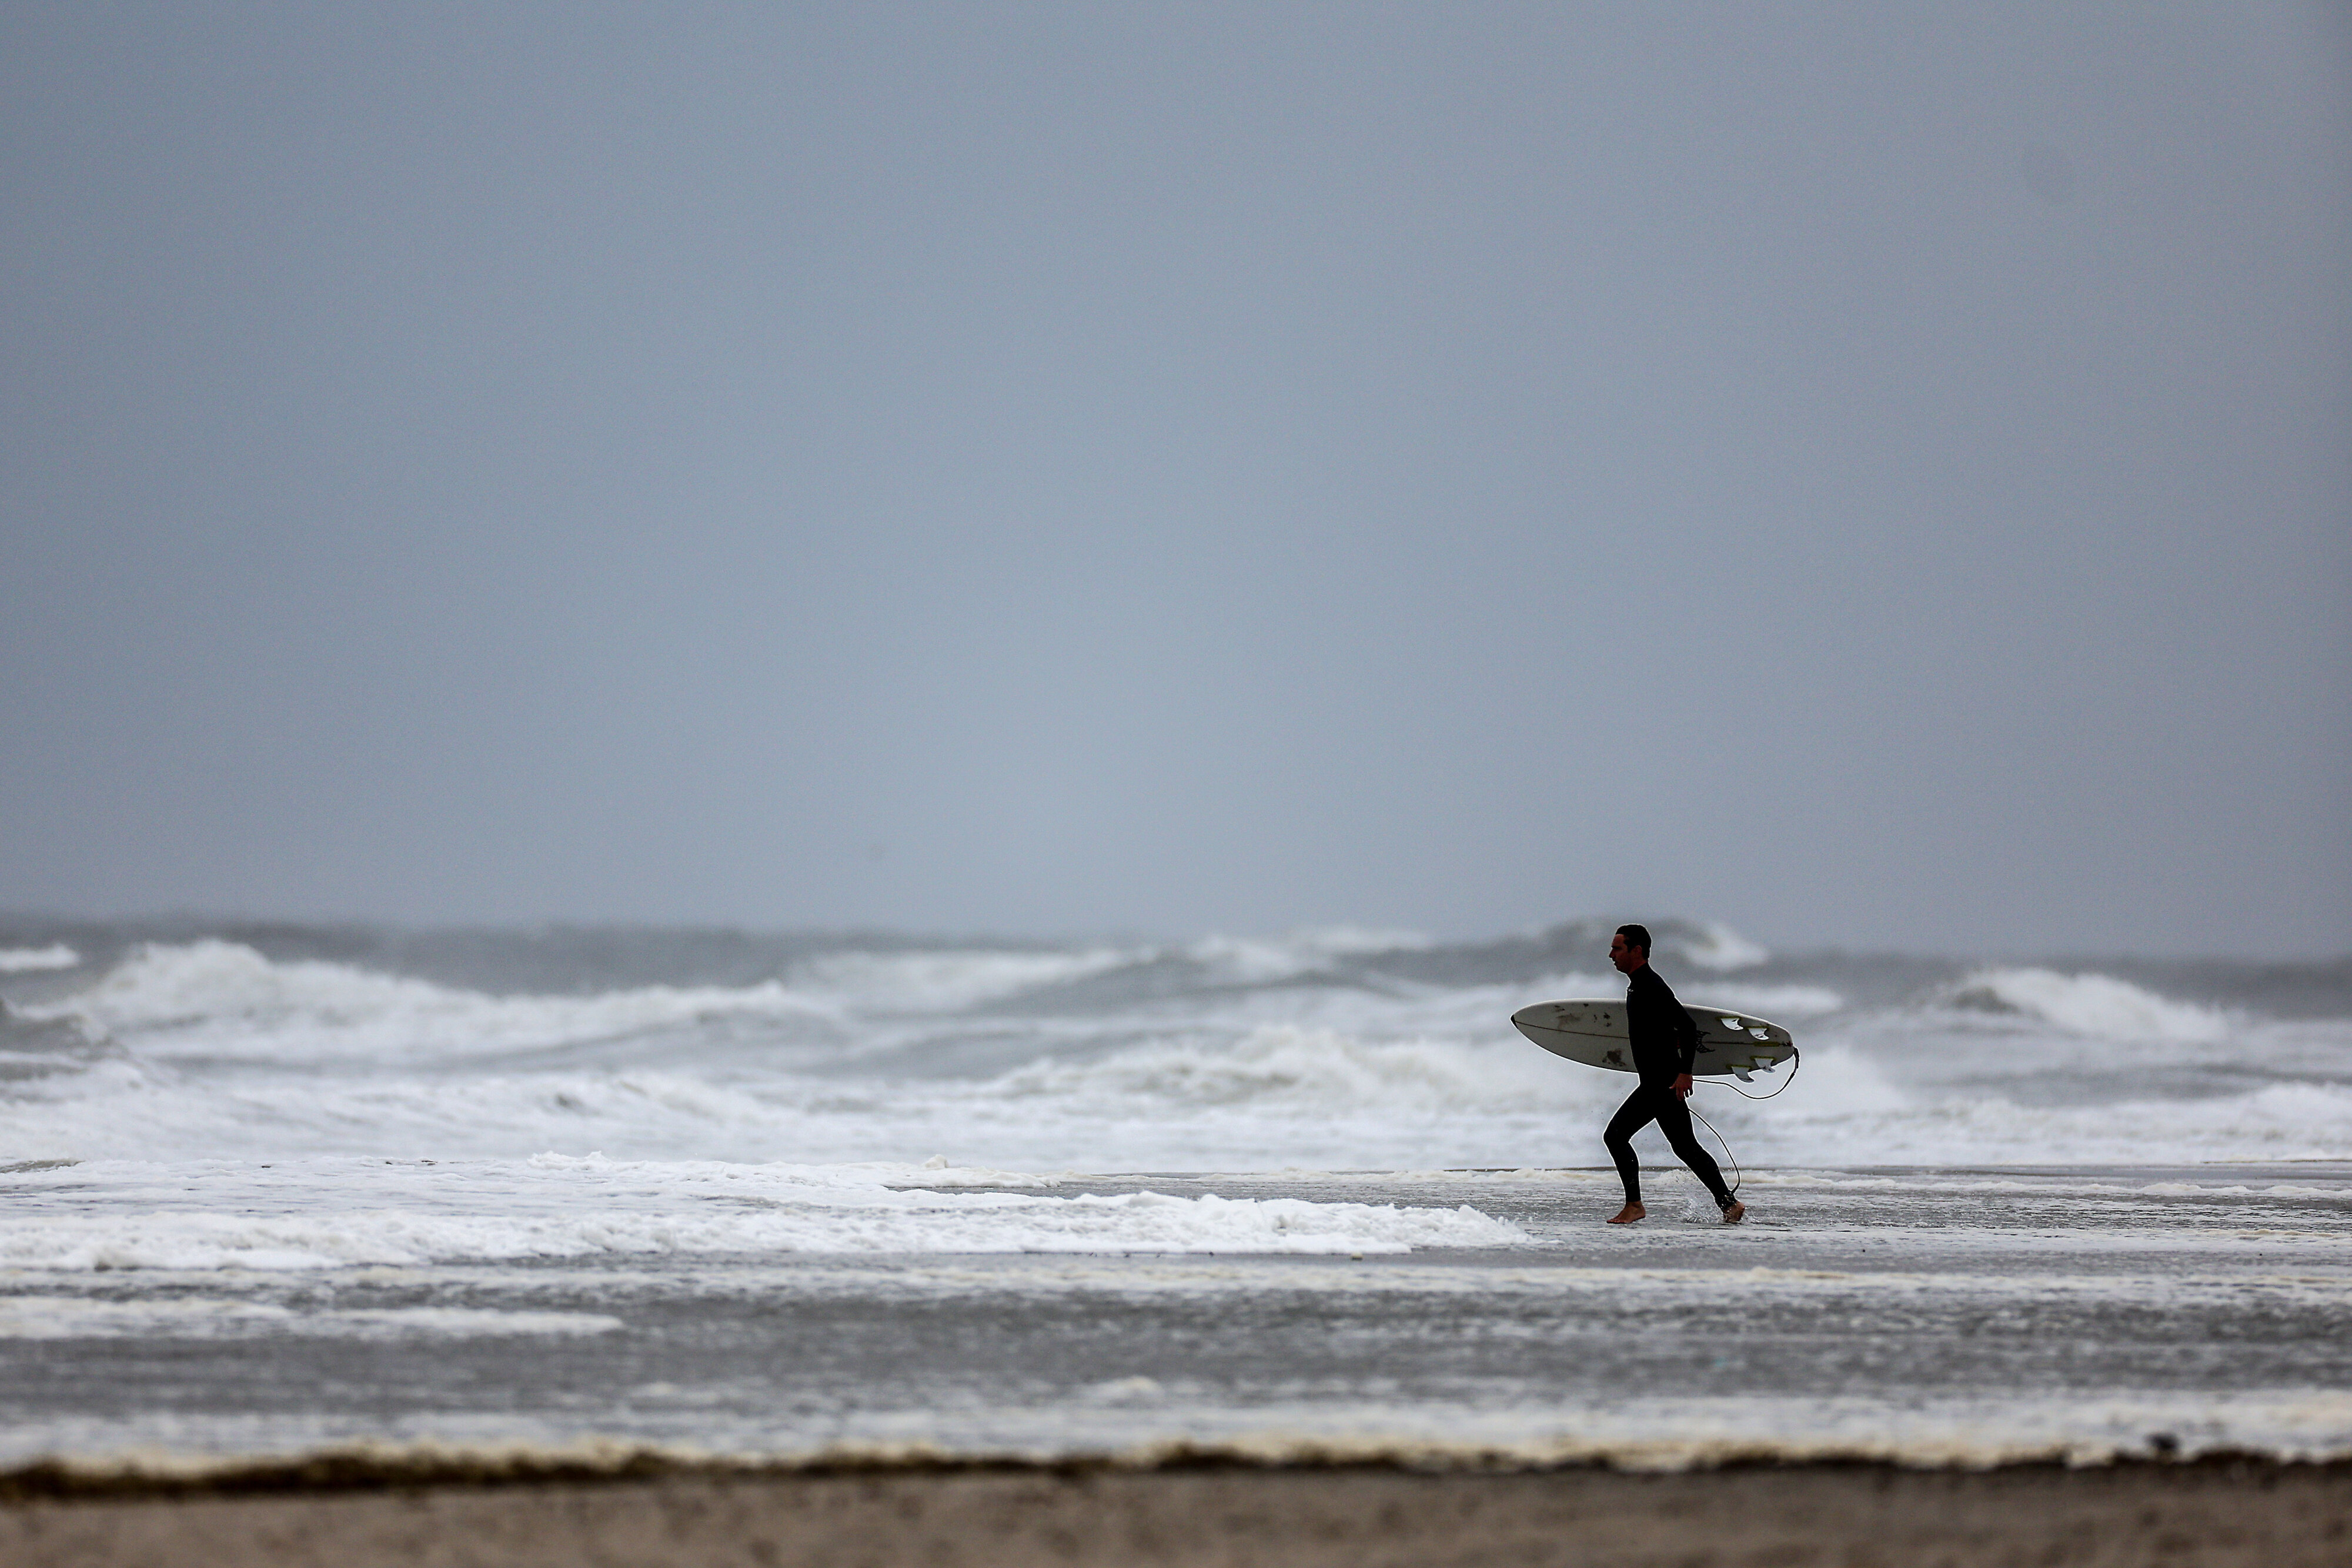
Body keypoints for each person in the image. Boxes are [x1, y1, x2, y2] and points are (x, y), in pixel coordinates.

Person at [1602, 924, 1745, 1225]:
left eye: (1617, 949)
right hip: (1659, 1080)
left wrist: (1685, 1072)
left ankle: (1634, 1205)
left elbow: (1688, 1026)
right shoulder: (1637, 985)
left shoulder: (1650, 985)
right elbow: (1666, 1027)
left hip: (1660, 1082)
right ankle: (1729, 1204)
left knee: (1615, 1136)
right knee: (1685, 1147)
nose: (1612, 955)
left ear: (1636, 951)